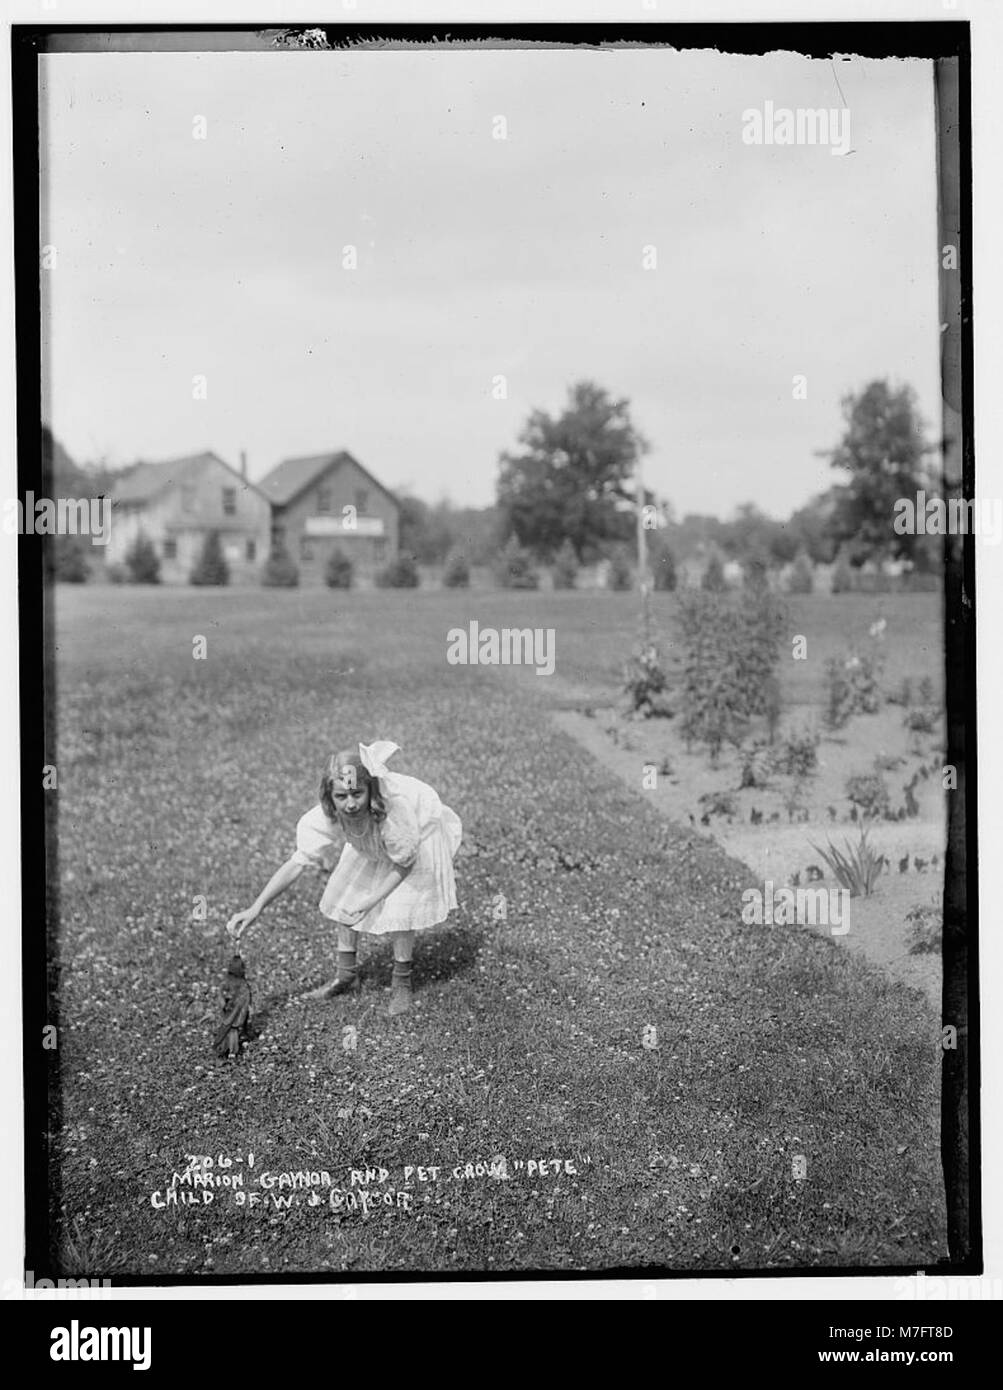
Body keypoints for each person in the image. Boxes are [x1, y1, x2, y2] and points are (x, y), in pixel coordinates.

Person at [226, 740, 462, 1016]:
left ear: (370, 790)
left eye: (357, 794)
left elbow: (403, 865)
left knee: (401, 908)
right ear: (329, 797)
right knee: (346, 894)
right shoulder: (326, 816)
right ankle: (346, 975)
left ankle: (402, 981)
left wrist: (372, 900)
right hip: (370, 843)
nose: (350, 804)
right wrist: (256, 907)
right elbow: (296, 863)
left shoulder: (391, 813)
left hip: (410, 844)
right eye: (341, 797)